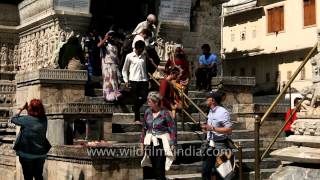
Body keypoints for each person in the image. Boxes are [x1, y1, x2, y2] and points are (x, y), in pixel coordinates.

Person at [140, 92, 177, 180]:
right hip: (150, 142)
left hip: (161, 143)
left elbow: (172, 129)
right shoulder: (147, 112)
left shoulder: (165, 113)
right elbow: (144, 129)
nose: (148, 103)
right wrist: (142, 143)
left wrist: (173, 144)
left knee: (159, 168)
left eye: (149, 101)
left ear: (156, 102)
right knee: (153, 168)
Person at [11, 99, 50, 180]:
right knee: (38, 176)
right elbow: (35, 115)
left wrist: (21, 109)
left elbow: (13, 119)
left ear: (30, 109)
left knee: (28, 177)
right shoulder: (44, 119)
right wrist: (28, 109)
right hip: (40, 154)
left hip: (26, 154)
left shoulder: (26, 119)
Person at [201, 92, 233, 180]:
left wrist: (212, 128)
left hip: (220, 145)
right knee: (205, 170)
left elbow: (229, 130)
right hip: (210, 145)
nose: (206, 100)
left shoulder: (223, 112)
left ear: (212, 100)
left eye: (208, 98)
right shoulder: (210, 111)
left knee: (220, 172)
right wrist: (206, 128)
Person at [122, 40, 148, 123]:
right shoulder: (129, 56)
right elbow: (124, 70)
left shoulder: (144, 56)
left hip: (143, 80)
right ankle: (137, 118)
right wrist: (126, 81)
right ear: (136, 48)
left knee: (144, 98)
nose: (141, 51)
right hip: (133, 80)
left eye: (142, 49)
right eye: (140, 49)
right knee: (136, 99)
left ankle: (135, 107)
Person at [97, 30, 122, 101]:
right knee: (109, 80)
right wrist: (105, 38)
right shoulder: (105, 44)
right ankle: (109, 95)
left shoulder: (116, 44)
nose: (111, 37)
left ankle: (115, 95)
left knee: (117, 79)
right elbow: (98, 45)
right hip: (107, 63)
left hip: (115, 63)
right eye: (110, 35)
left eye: (112, 35)